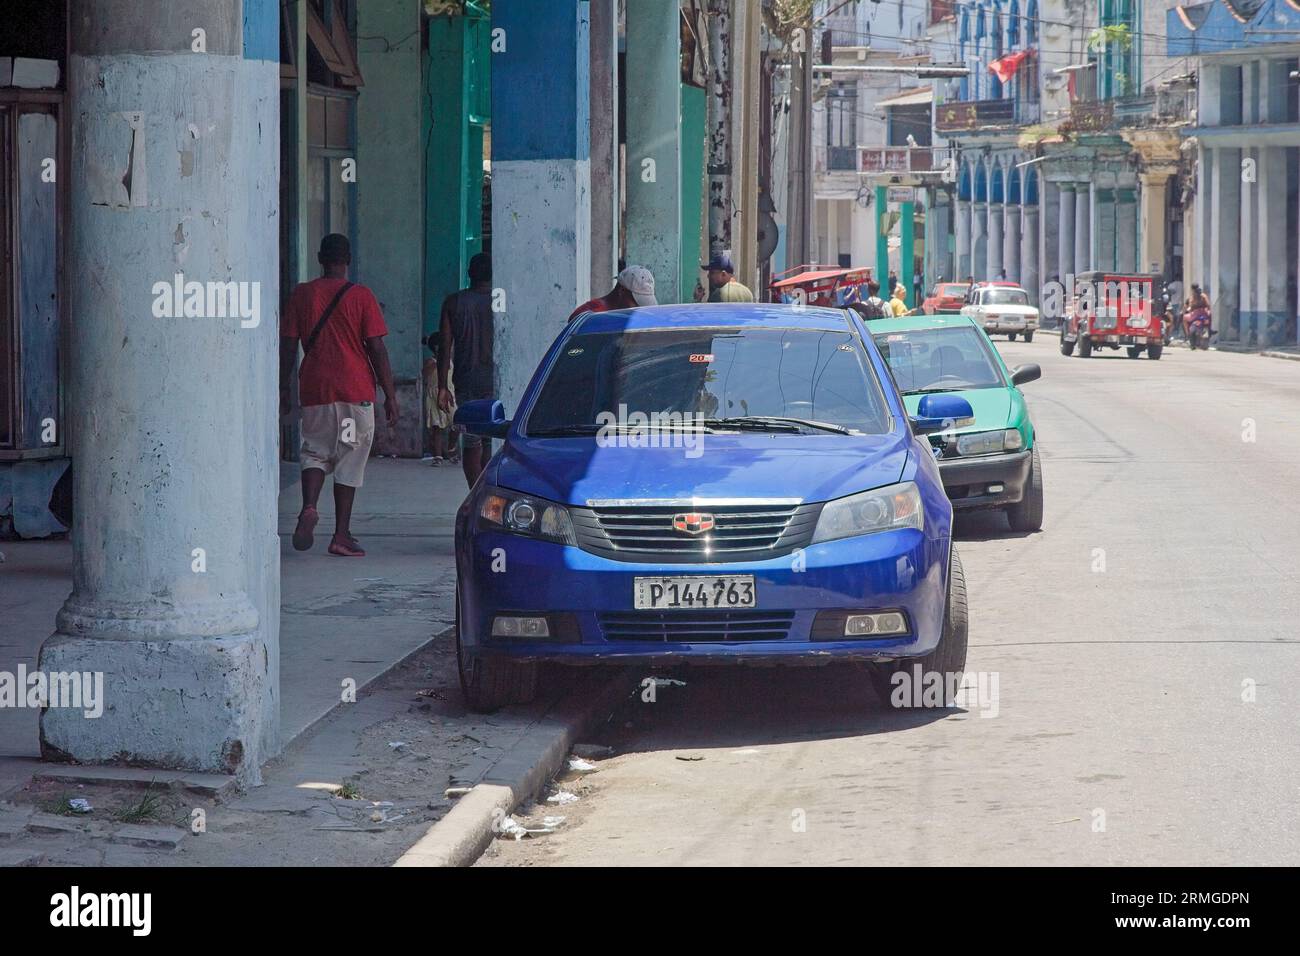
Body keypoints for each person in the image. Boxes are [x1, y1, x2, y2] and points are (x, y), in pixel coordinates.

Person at [281, 233, 398, 558]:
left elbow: (289, 344)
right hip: (355, 390)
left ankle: (308, 506)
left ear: (320, 258)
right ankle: (341, 535)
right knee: (350, 456)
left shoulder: (302, 295)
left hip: (315, 389)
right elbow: (376, 347)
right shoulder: (361, 296)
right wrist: (390, 394)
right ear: (348, 260)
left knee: (315, 452)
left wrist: (282, 388)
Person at [438, 253, 496, 489]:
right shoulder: (501, 301)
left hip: (467, 379)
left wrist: (442, 385)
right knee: (490, 439)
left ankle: (474, 492)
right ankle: (487, 492)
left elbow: (444, 347)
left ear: (469, 274)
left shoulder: (454, 302)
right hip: (496, 381)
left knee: (471, 441)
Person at [567, 265, 657, 322]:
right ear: (622, 291)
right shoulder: (590, 316)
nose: (640, 309)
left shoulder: (626, 317)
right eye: (637, 302)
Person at [422, 332, 458, 467]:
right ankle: (438, 456)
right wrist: (437, 363)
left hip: (450, 395)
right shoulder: (432, 362)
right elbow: (424, 373)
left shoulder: (450, 360)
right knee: (437, 427)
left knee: (457, 423)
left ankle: (451, 447)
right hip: (434, 396)